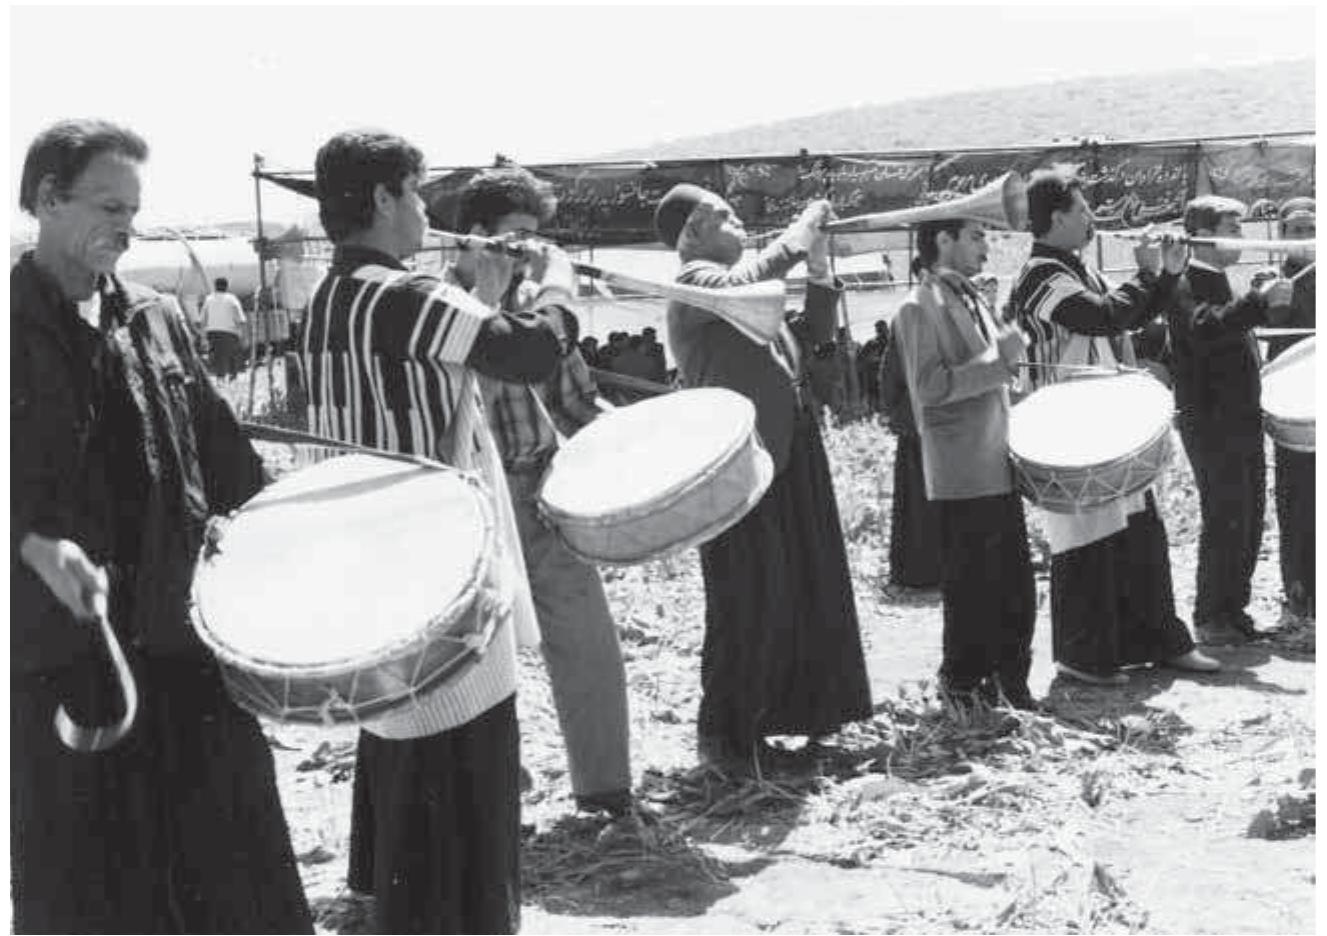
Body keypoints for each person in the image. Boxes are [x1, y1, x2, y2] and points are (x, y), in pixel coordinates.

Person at [11, 118, 312, 933]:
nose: (127, 226)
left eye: (134, 208)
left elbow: (225, 461)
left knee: (229, 863)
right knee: (91, 877)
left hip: (185, 642)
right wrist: (34, 547)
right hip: (68, 661)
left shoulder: (156, 316)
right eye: (110, 206)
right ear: (46, 199)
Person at [299, 130, 561, 934]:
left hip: (368, 548)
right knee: (462, 740)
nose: (423, 212)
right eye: (414, 195)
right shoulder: (405, 296)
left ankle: (394, 894)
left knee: (398, 729)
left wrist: (479, 289)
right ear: (381, 198)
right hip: (434, 554)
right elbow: (533, 353)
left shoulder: (330, 297)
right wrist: (533, 288)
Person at [654, 183, 871, 772]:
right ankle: (728, 739)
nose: (739, 226)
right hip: (735, 461)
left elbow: (811, 337)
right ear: (692, 231)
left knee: (800, 582)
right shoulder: (699, 283)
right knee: (748, 593)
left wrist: (820, 267)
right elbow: (744, 282)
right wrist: (798, 236)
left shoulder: (751, 296)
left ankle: (794, 717)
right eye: (724, 217)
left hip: (786, 448)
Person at [449, 166, 635, 818]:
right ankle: (485, 811)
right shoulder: (441, 304)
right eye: (515, 235)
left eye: (535, 236)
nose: (528, 249)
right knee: (471, 666)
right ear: (473, 237)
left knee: (585, 641)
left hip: (542, 494)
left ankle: (607, 795)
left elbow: (577, 401)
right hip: (473, 510)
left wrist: (646, 441)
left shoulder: (541, 314)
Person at [1007, 168, 1219, 683]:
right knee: (1085, 540)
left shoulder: (1075, 268)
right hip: (1065, 430)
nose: (1091, 218)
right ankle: (1085, 655)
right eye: (1083, 210)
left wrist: (1168, 274)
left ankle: (1160, 642)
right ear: (1056, 217)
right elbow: (1100, 317)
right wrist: (1146, 274)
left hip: (1101, 421)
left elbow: (1131, 315)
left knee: (1141, 532)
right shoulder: (1038, 276)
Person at [894, 217, 1037, 709]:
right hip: (962, 472)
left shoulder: (970, 296)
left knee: (1013, 585)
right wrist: (1001, 361)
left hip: (995, 461)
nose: (986, 246)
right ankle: (963, 685)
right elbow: (930, 390)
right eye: (976, 236)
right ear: (943, 240)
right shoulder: (917, 308)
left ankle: (1009, 682)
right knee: (975, 589)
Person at [1164, 195, 1294, 644]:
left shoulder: (1220, 281)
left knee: (1249, 511)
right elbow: (1205, 328)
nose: (1240, 238)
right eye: (1232, 229)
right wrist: (1258, 303)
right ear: (1204, 235)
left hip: (1239, 418)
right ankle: (1211, 613)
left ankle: (1232, 608)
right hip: (1212, 420)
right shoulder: (1184, 284)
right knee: (1225, 513)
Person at [1267, 197, 1315, 619]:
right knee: (1298, 501)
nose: (1306, 237)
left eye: (1311, 229)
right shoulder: (1272, 281)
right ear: (1282, 238)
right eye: (1297, 231)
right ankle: (1299, 594)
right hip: (1295, 411)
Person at [879, 292, 942, 589]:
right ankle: (921, 572)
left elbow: (888, 374)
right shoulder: (914, 313)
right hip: (921, 422)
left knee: (922, 502)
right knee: (919, 501)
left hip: (926, 420)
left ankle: (923, 570)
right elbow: (892, 371)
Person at [200, 275, 247, 378]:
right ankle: (232, 375)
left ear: (215, 286)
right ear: (227, 286)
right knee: (231, 354)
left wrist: (203, 336)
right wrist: (242, 333)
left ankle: (220, 376)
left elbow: (203, 319)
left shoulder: (208, 299)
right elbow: (241, 318)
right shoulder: (232, 299)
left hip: (212, 332)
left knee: (217, 355)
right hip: (229, 332)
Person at [858, 318, 889, 413]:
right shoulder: (872, 343)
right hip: (876, 377)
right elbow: (861, 358)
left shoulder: (892, 341)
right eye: (879, 329)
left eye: (882, 329)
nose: (881, 332)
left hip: (886, 376)